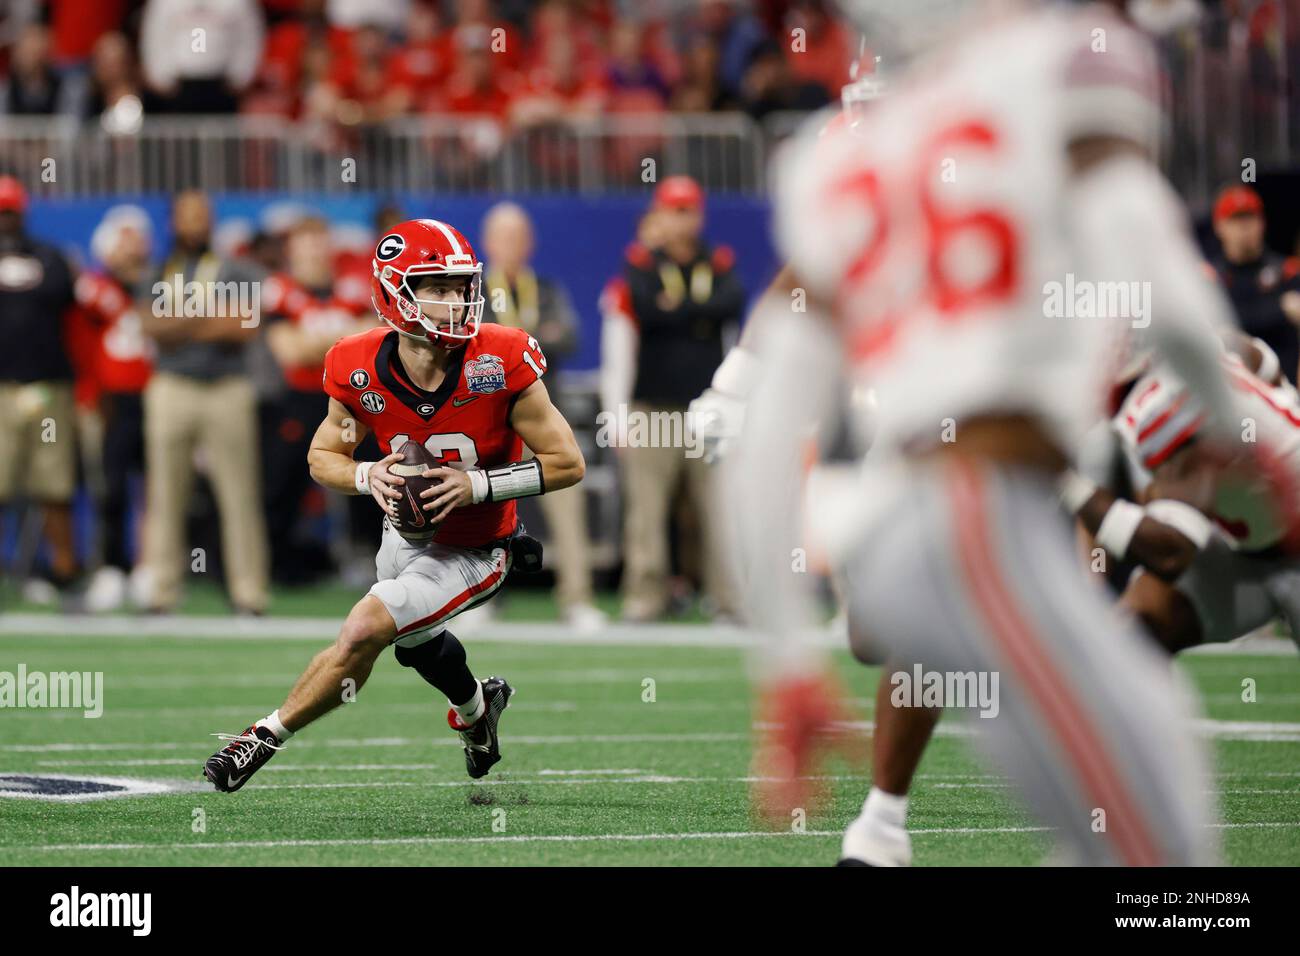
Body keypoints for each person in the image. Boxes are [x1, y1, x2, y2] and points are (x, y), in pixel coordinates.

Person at [720, 0, 1233, 866]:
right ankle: (881, 822)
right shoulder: (1057, 65)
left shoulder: (828, 159)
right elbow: (1144, 248)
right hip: (978, 508)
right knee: (1168, 857)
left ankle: (879, 829)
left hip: (914, 510)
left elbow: (764, 428)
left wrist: (782, 664)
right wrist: (1234, 417)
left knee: (1115, 824)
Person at [202, 218, 585, 791]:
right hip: (402, 532)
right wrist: (366, 474)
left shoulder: (500, 358)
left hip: (478, 546)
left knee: (363, 631)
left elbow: (567, 463)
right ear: (394, 293)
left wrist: (477, 485)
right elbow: (322, 455)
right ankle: (480, 712)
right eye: (438, 288)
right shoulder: (356, 364)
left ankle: (263, 735)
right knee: (412, 644)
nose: (457, 302)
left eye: (462, 287)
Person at [617, 176, 743, 622]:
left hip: (708, 407)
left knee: (719, 509)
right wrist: (696, 316)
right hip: (654, 405)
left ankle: (728, 598)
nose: (682, 219)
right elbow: (647, 309)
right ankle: (645, 597)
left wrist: (680, 310)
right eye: (674, 210)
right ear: (660, 214)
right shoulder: (642, 262)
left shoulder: (718, 260)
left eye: (689, 210)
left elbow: (732, 304)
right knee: (647, 511)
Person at [140, 191, 269, 614]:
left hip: (227, 387)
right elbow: (150, 325)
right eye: (187, 216)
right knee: (165, 492)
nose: (195, 224)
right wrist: (208, 316)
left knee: (239, 493)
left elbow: (243, 326)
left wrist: (181, 319)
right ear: (174, 222)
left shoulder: (236, 267)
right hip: (171, 386)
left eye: (202, 216)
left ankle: (248, 593)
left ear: (211, 220)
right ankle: (161, 591)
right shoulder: (159, 268)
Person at [481, 201, 605, 631]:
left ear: (529, 242)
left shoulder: (546, 288)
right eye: (503, 237)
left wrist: (509, 348)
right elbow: (473, 345)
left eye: (518, 237)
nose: (511, 245)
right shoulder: (476, 291)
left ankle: (577, 598)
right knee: (482, 508)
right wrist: (531, 342)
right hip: (490, 418)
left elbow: (567, 335)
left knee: (567, 505)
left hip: (540, 412)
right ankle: (480, 600)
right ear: (489, 242)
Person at [260, 215, 373, 584]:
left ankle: (366, 555)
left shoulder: (354, 289)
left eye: (318, 242)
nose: (312, 252)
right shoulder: (280, 290)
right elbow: (290, 352)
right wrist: (344, 339)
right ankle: (278, 563)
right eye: (304, 244)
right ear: (291, 250)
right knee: (286, 481)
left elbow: (374, 337)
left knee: (365, 477)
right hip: (300, 398)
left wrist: (317, 341)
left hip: (349, 400)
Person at [0, 175, 80, 600]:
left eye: (9, 212)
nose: (4, 221)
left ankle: (65, 571)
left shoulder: (48, 255)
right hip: (1, 387)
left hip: (47, 385)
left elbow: (60, 291)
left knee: (54, 484)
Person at [77, 205, 156, 611]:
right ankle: (110, 566)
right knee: (109, 485)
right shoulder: (93, 288)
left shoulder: (160, 285)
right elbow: (80, 344)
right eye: (124, 239)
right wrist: (90, 396)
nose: (133, 248)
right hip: (110, 398)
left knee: (153, 487)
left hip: (154, 397)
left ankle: (147, 568)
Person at [1207, 184, 1300, 383]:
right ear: (1219, 226)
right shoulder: (1209, 278)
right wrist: (1280, 310)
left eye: (1250, 218)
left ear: (1262, 223)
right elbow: (1219, 327)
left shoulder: (1288, 271)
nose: (1244, 227)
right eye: (1236, 220)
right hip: (1235, 394)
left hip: (1284, 392)